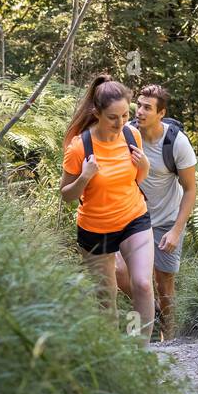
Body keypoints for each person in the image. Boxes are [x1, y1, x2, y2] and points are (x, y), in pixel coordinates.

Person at [60, 73, 155, 338]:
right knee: (106, 297)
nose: (120, 122)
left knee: (143, 285)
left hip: (133, 217)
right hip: (95, 229)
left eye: (125, 115)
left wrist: (144, 167)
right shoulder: (80, 147)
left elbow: (136, 178)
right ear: (97, 113)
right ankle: (114, 360)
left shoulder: (132, 135)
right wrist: (85, 177)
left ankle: (140, 354)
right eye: (113, 117)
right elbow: (66, 195)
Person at [115, 84, 197, 340]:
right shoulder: (126, 134)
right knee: (121, 273)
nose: (139, 111)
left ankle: (169, 340)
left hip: (166, 222)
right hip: (133, 219)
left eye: (147, 108)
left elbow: (191, 190)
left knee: (164, 286)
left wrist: (176, 231)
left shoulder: (176, 143)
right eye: (138, 105)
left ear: (161, 113)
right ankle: (145, 325)